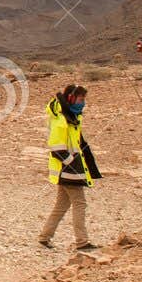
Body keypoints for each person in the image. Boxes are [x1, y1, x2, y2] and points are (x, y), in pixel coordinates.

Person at [38, 83, 100, 250]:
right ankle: (82, 241)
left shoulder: (71, 119)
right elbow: (56, 148)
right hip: (69, 172)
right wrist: (72, 163)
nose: (83, 103)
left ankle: (45, 236)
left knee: (61, 205)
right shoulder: (61, 121)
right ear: (72, 99)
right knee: (80, 204)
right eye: (81, 99)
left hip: (68, 171)